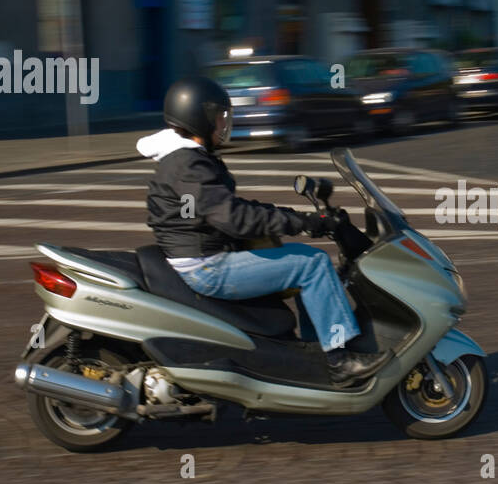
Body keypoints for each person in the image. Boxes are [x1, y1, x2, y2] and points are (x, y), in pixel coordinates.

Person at [136, 77, 390, 387]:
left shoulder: (185, 160)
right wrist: (305, 224)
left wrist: (299, 217)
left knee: (304, 263)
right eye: (218, 117)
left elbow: (226, 207)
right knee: (313, 264)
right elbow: (233, 218)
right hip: (207, 266)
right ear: (198, 117)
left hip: (201, 254)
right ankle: (338, 360)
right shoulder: (187, 164)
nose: (223, 124)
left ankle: (317, 350)